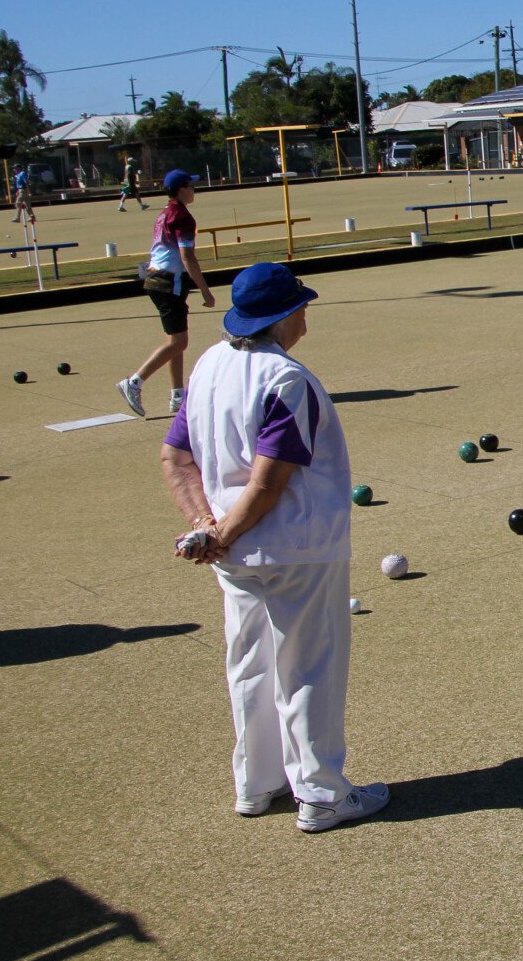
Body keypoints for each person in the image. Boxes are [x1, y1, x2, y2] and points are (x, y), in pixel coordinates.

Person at [158, 262, 389, 833]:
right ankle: (321, 795)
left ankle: (257, 784)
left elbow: (174, 457)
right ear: (284, 316)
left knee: (250, 666)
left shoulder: (209, 365)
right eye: (302, 306)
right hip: (298, 549)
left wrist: (205, 529)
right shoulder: (286, 379)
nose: (306, 314)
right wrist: (221, 533)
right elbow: (269, 480)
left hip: (234, 559)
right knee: (310, 667)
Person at [118, 170, 215, 419]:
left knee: (175, 341)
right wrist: (205, 289)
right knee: (178, 342)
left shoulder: (165, 212)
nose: (194, 191)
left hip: (158, 279)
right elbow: (187, 257)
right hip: (168, 282)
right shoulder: (182, 216)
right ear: (181, 189)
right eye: (191, 186)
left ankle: (177, 395)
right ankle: (134, 382)